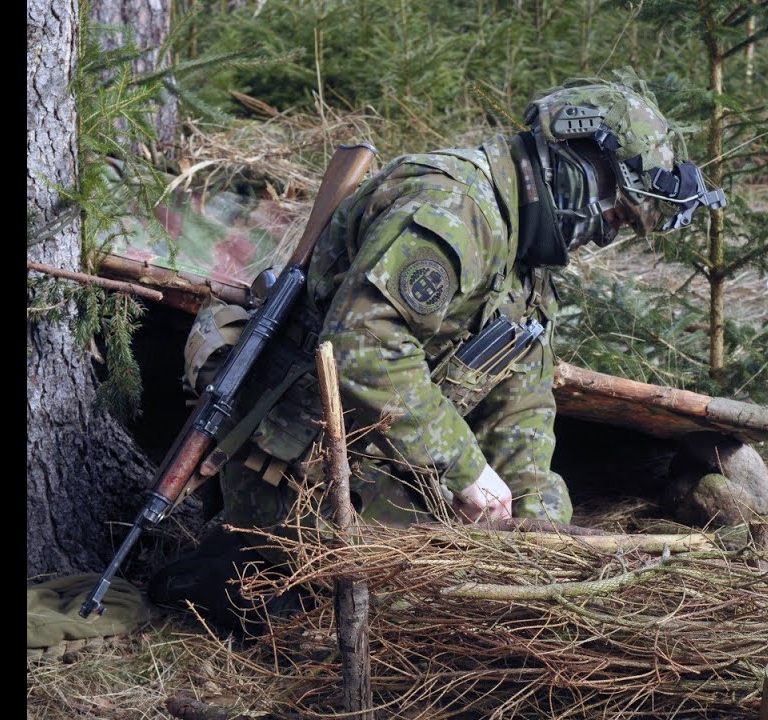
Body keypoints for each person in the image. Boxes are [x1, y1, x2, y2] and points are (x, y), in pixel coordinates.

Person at [151, 77, 725, 631]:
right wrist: (466, 470)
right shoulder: (451, 207)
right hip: (298, 463)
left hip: (385, 454)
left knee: (500, 588)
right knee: (426, 601)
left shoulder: (526, 259)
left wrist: (540, 530)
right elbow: (364, 348)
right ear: (579, 167)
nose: (604, 234)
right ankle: (229, 569)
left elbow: (520, 407)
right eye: (616, 214)